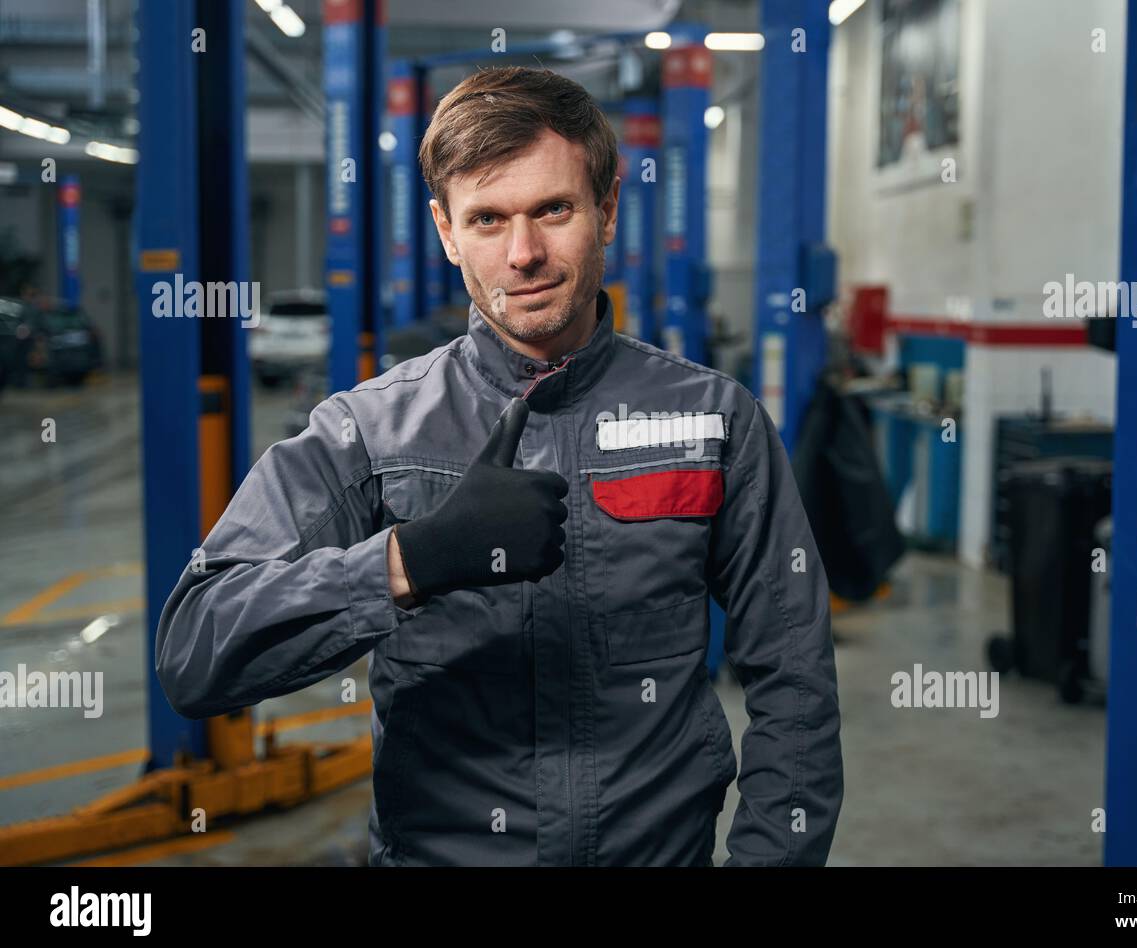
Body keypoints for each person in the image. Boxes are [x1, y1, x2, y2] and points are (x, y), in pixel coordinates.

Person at [155, 66, 843, 866]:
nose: (524, 254)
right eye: (487, 219)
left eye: (554, 209)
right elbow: (194, 654)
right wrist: (410, 561)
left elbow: (795, 679)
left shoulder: (713, 421)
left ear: (607, 209)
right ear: (447, 232)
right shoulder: (371, 433)